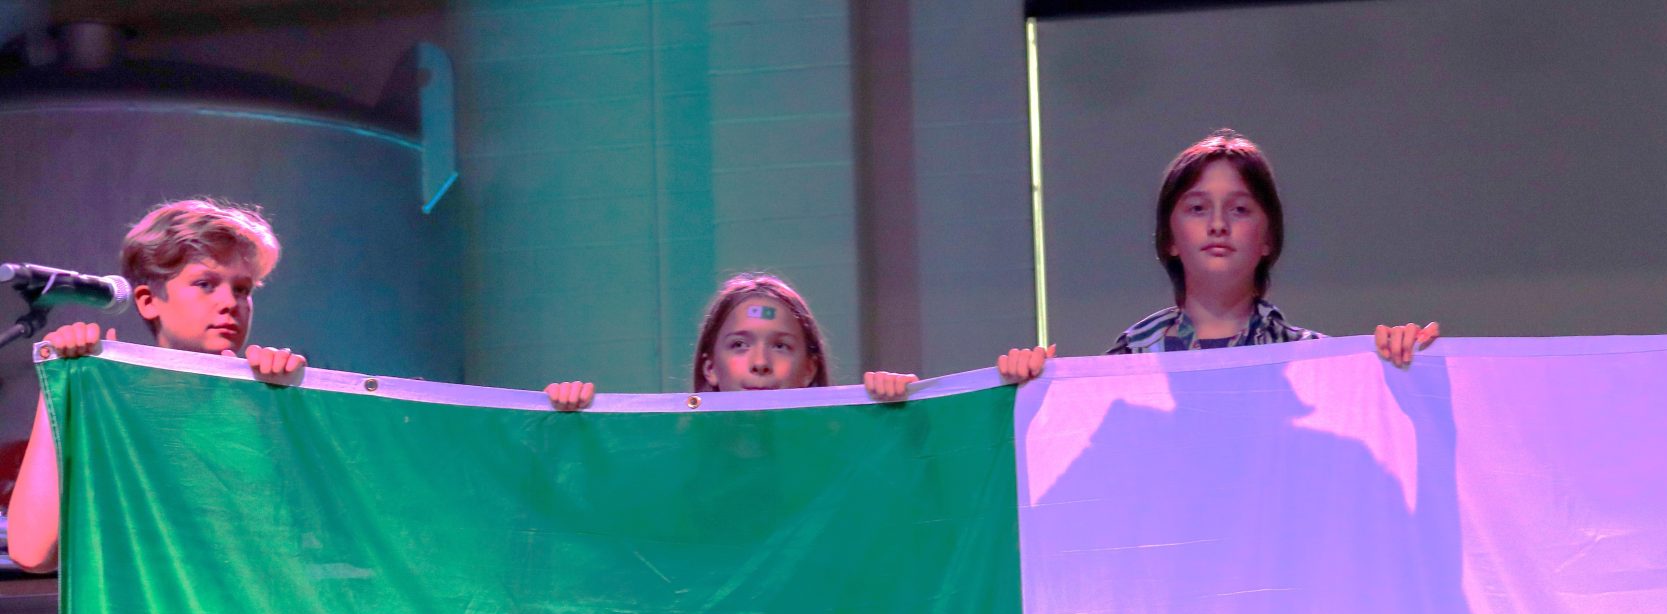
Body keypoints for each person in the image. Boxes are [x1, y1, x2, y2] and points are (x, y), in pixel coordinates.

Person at [996, 129, 1437, 384]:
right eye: (1197, 208)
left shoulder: (1318, 362)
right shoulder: (1131, 359)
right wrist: (1030, 394)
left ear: (1268, 237)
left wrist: (1409, 365)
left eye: (1240, 209)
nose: (1218, 224)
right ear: (1170, 237)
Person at [8, 198, 304, 573]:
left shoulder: (265, 401)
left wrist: (290, 406)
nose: (230, 303)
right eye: (205, 283)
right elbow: (31, 552)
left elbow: (300, 540)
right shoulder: (110, 401)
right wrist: (60, 387)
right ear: (148, 302)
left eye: (243, 289)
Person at [545, 272, 916, 410]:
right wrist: (568, 433)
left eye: (781, 345)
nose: (759, 362)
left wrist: (910, 421)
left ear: (809, 368)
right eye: (739, 345)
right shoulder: (672, 460)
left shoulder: (847, 458)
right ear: (710, 367)